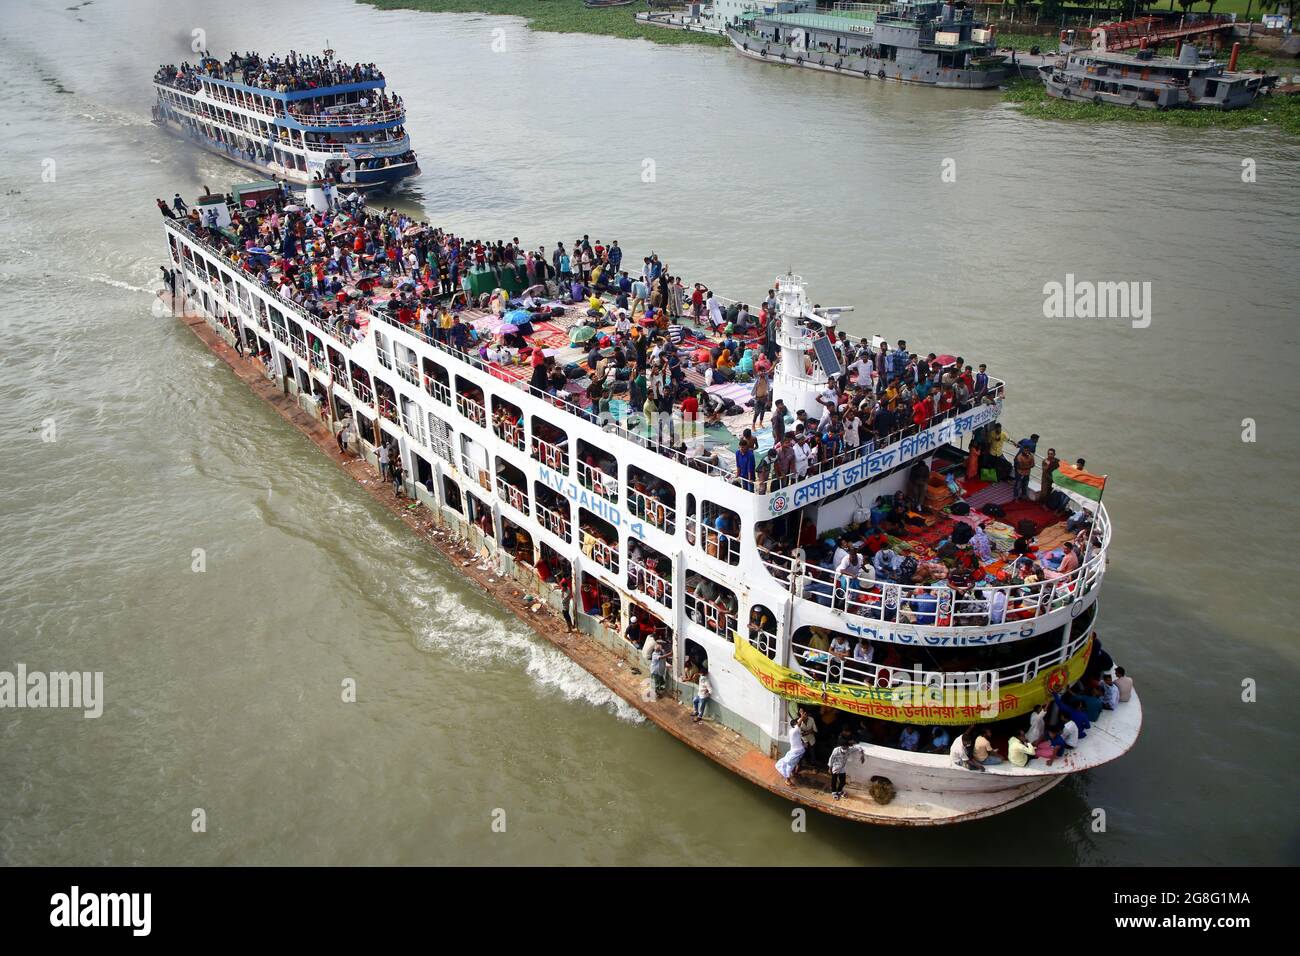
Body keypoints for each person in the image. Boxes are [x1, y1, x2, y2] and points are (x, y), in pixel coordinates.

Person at [774, 716, 807, 785]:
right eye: (797, 723)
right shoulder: (793, 731)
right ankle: (787, 779)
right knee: (790, 765)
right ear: (794, 725)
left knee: (794, 763)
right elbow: (798, 725)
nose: (799, 724)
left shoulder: (797, 731)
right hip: (795, 752)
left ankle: (793, 773)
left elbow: (800, 735)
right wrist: (802, 717)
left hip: (799, 751)